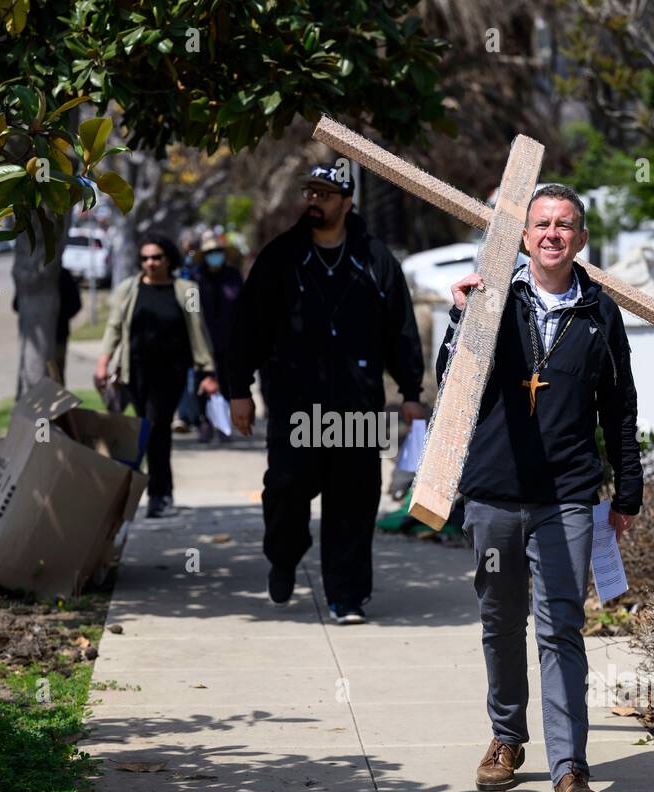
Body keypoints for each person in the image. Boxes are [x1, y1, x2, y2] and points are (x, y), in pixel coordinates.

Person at [435, 183, 642, 792]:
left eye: (565, 225)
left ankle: (571, 772)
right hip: (495, 492)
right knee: (501, 620)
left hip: (567, 496)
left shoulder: (600, 314)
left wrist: (627, 488)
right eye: (541, 224)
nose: (552, 233)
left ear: (580, 240)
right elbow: (451, 384)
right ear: (523, 237)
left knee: (560, 628)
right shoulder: (493, 299)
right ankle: (506, 735)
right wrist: (460, 321)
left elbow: (620, 406)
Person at [226, 162, 426, 624]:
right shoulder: (281, 257)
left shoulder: (375, 259)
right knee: (285, 490)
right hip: (295, 403)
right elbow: (248, 327)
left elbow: (401, 330)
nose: (314, 201)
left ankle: (346, 595)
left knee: (354, 502)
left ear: (346, 202)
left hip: (358, 405)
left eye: (325, 194)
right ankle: (284, 555)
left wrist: (412, 391)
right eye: (310, 193)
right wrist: (239, 388)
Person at [94, 234, 219, 518]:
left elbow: (198, 332)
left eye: (157, 257)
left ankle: (159, 496)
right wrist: (103, 364)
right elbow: (114, 328)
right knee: (146, 429)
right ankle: (155, 494)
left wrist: (207, 371)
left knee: (156, 425)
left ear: (169, 259)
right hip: (134, 371)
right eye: (145, 258)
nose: (150, 263)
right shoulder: (129, 289)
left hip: (171, 373)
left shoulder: (187, 289)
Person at [193, 234, 243, 443]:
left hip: (229, 340)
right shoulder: (194, 279)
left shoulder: (233, 276)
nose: (214, 256)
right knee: (202, 382)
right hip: (202, 342)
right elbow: (191, 310)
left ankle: (224, 423)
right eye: (210, 253)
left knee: (227, 381)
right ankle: (205, 422)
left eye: (217, 252)